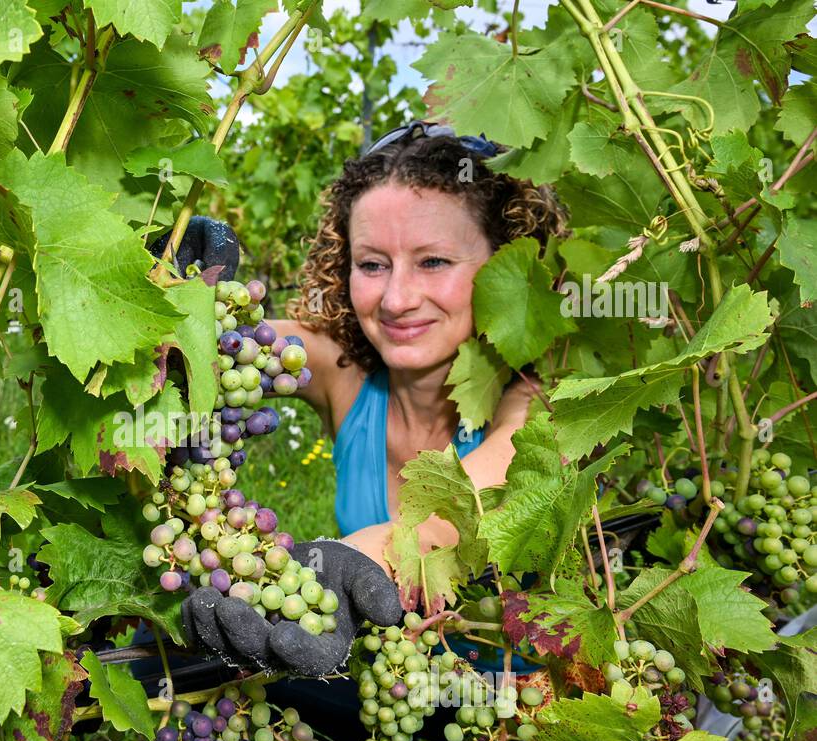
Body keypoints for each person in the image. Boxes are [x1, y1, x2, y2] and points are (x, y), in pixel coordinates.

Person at [172, 121, 569, 684]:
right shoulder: (346, 373)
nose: (397, 298)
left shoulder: (538, 411)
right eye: (373, 264)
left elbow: (460, 511)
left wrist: (346, 565)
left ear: (509, 269)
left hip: (510, 715)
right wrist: (178, 302)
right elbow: (247, 344)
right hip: (387, 683)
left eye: (434, 262)